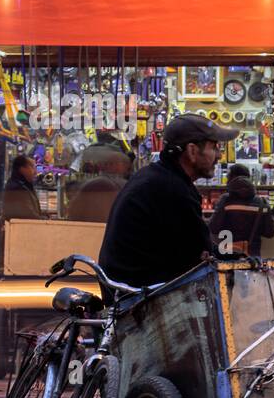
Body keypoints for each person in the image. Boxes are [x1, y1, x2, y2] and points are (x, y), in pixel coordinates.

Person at [98, 113, 238, 288]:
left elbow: (198, 250)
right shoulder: (172, 190)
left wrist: (234, 257)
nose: (219, 155)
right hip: (140, 299)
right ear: (192, 151)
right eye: (214, 147)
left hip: (132, 289)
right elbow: (200, 255)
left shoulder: (158, 177)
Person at [210, 163, 274, 257]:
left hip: (228, 254)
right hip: (252, 255)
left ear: (232, 178)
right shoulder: (262, 202)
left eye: (228, 177)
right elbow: (270, 232)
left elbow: (213, 227)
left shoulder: (225, 200)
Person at [2, 154, 42, 221]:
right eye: (32, 167)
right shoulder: (16, 188)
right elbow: (29, 215)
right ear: (22, 169)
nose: (35, 172)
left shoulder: (25, 185)